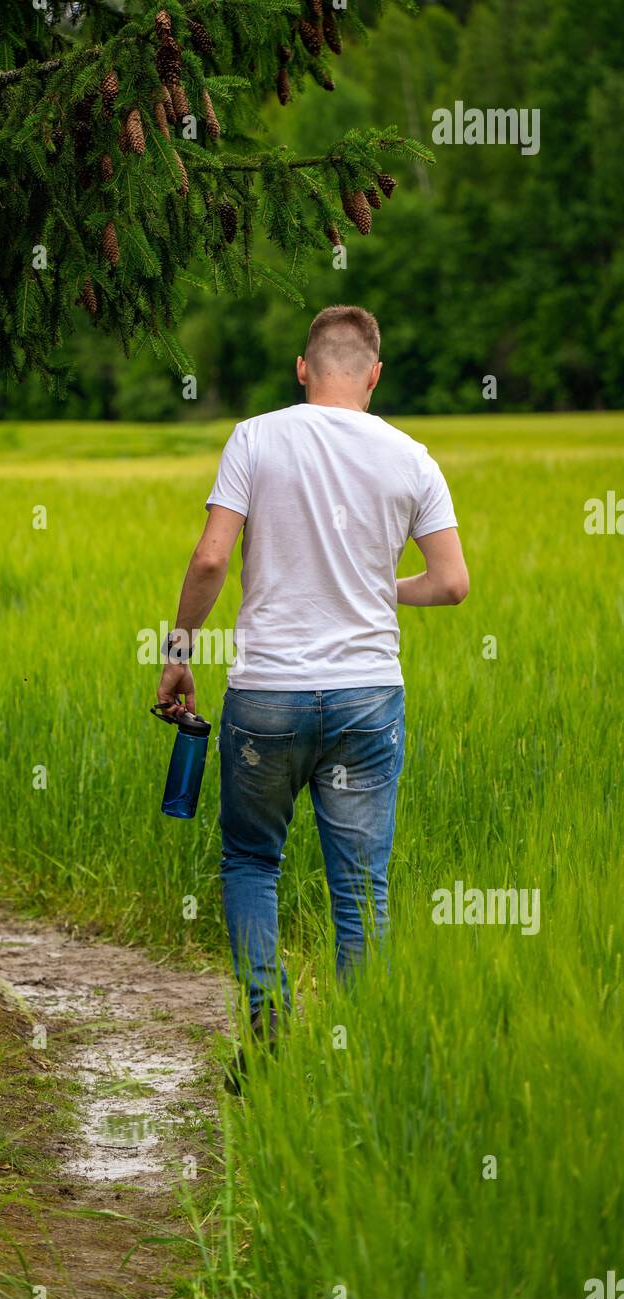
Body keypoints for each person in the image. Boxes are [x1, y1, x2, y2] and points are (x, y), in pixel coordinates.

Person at [156, 305, 469, 1053]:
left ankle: (266, 1028)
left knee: (251, 860)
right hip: (368, 699)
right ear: (374, 374)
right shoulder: (411, 456)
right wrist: (375, 590)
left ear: (302, 370)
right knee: (362, 894)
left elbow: (208, 560)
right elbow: (453, 583)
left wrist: (177, 650)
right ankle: (361, 1054)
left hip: (267, 696)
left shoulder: (255, 437)